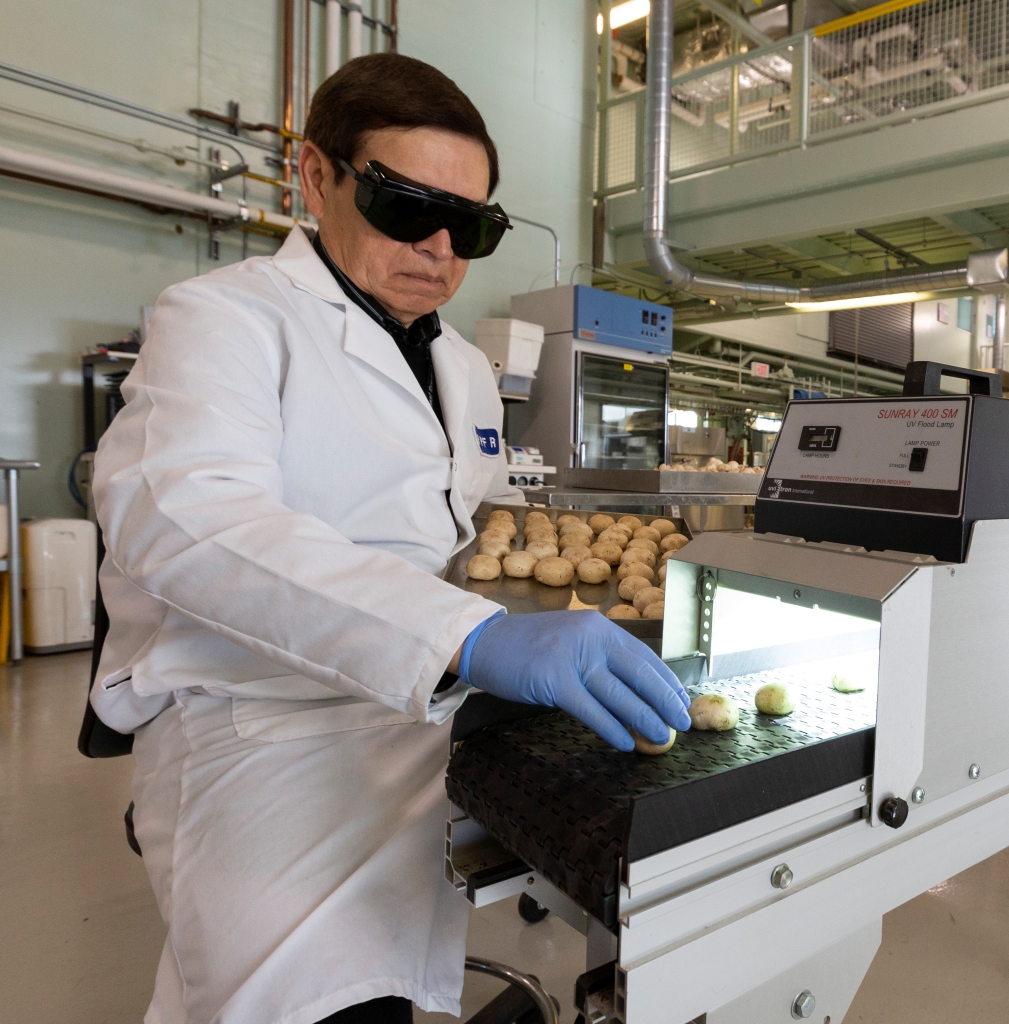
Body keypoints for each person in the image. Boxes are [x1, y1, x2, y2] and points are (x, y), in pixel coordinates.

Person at [90, 54, 692, 1024]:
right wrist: (469, 636)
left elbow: (453, 515)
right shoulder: (226, 319)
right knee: (302, 1003)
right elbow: (188, 518)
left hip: (418, 713)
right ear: (315, 177)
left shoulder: (458, 362)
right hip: (265, 732)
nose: (442, 248)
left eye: (474, 226)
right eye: (408, 207)